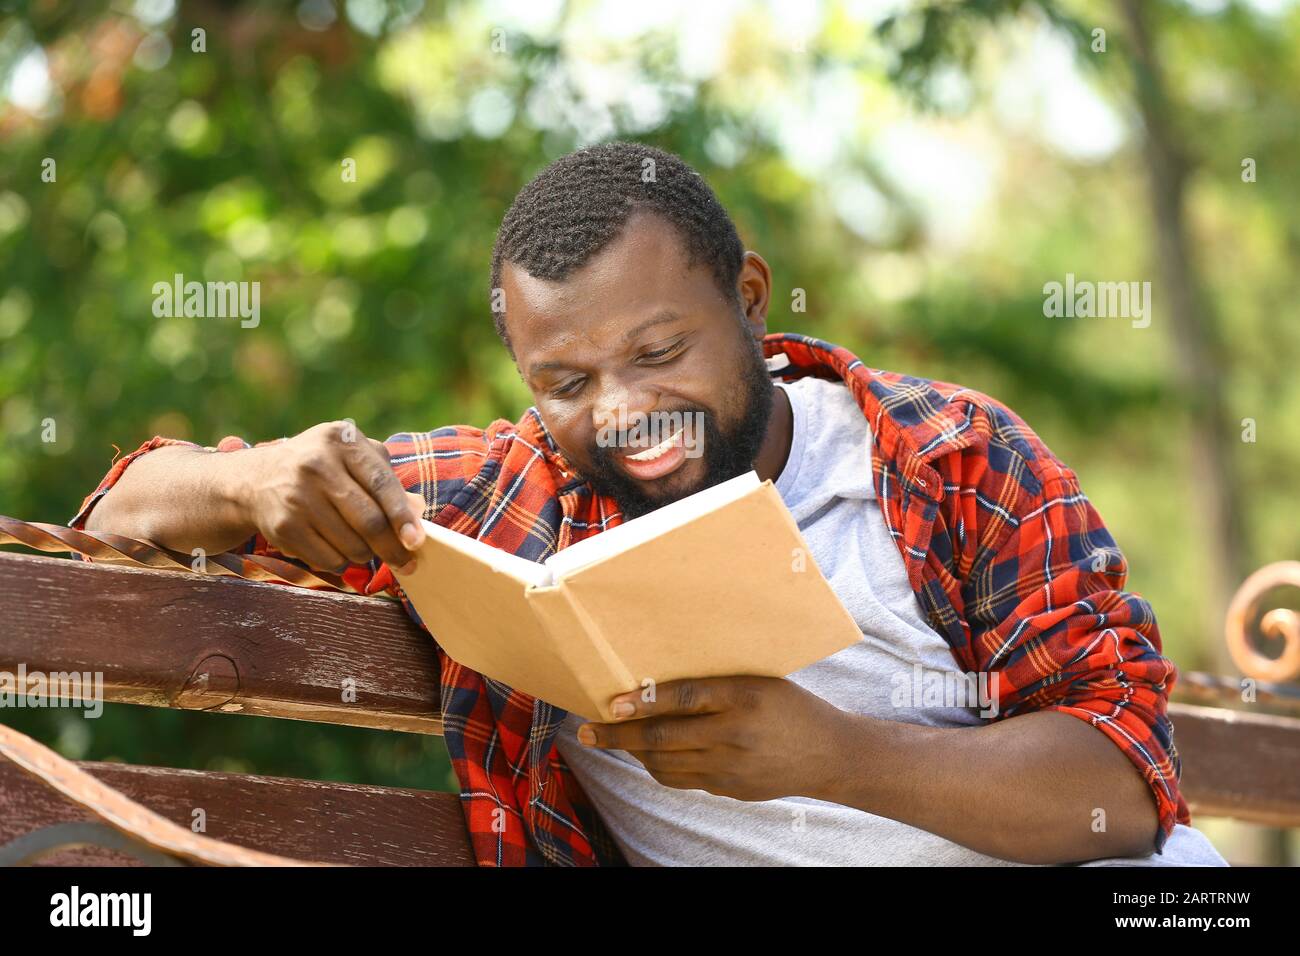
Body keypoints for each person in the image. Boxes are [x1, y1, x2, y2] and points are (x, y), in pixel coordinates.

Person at [76, 142, 1225, 866]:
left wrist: (832, 755)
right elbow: (117, 513)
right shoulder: (507, 495)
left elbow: (1122, 789)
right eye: (566, 382)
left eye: (658, 348)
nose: (623, 411)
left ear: (749, 298)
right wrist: (251, 475)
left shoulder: (947, 457)